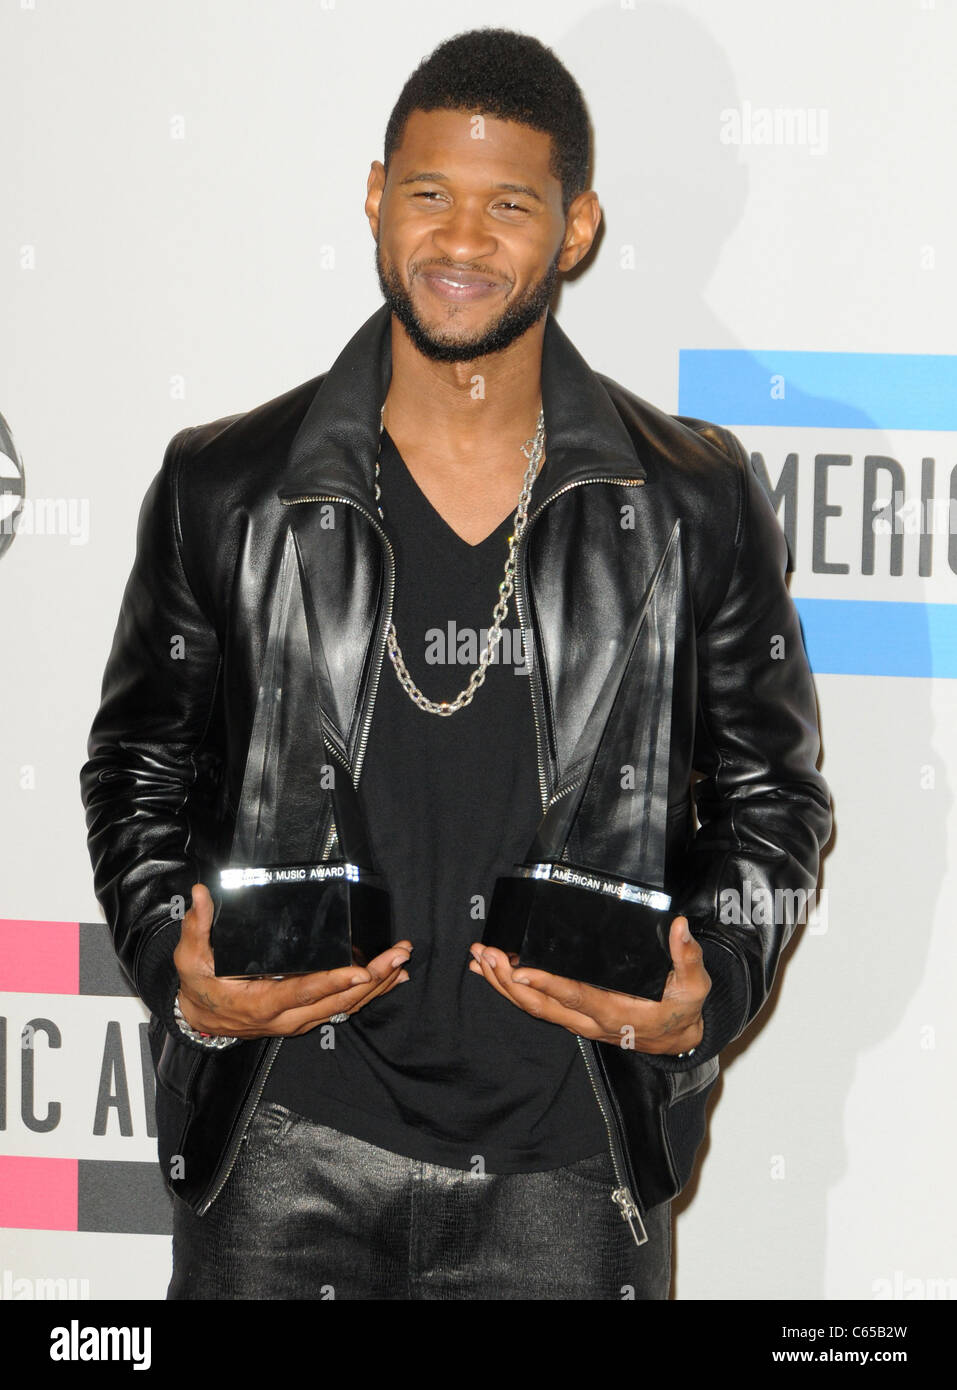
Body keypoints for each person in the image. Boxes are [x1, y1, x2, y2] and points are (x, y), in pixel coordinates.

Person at [80, 27, 831, 1301]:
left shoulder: (694, 501)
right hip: (282, 1147)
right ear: (377, 199)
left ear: (577, 228)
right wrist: (176, 961)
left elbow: (776, 800)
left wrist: (712, 990)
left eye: (509, 206)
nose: (463, 243)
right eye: (430, 194)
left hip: (568, 1170)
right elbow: (139, 762)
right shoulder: (227, 487)